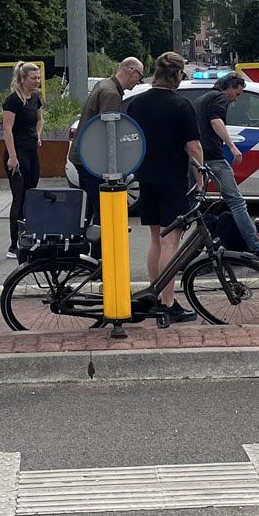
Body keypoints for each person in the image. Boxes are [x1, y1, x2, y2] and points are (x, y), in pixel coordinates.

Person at [125, 51, 202, 323]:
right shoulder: (181, 106)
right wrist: (201, 181)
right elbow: (193, 147)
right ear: (177, 75)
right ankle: (167, 302)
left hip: (145, 178)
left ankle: (155, 295)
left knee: (156, 239)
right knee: (172, 241)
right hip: (172, 180)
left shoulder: (136, 104)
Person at [196, 72, 259, 257]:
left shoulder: (202, 99)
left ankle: (193, 252)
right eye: (237, 93)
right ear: (230, 87)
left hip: (199, 156)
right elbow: (216, 121)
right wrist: (233, 147)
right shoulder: (220, 98)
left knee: (197, 205)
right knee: (236, 202)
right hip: (214, 156)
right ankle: (257, 249)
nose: (236, 99)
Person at [72, 57, 144, 223]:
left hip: (82, 155)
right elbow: (105, 132)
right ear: (132, 71)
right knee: (101, 210)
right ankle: (99, 248)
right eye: (139, 77)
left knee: (90, 208)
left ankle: (87, 243)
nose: (138, 82)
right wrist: (107, 168)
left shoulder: (105, 84)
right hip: (90, 160)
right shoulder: (111, 93)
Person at [0, 62, 44, 259]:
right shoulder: (13, 101)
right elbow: (7, 129)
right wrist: (12, 156)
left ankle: (28, 239)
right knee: (18, 198)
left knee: (31, 196)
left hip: (32, 152)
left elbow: (39, 119)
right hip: (17, 153)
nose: (37, 81)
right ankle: (13, 245)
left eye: (38, 77)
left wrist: (38, 135)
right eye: (33, 78)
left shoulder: (35, 99)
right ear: (23, 79)